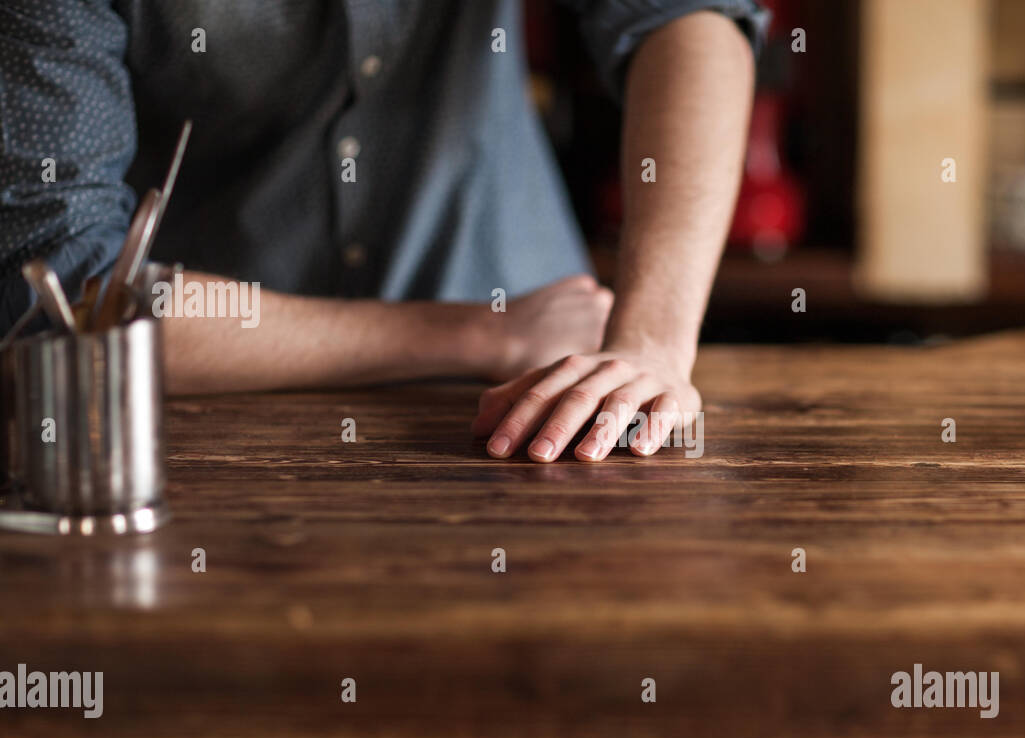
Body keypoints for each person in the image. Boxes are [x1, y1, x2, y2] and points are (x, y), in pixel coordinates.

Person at [0, 0, 766, 460]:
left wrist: (652, 345)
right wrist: (476, 333)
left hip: (547, 393)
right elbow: (64, 293)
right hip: (209, 418)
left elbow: (684, 18)